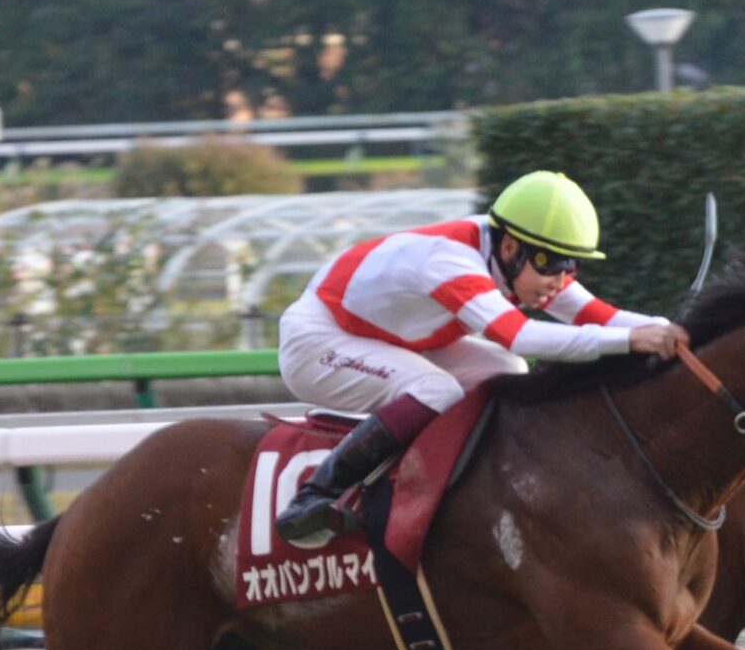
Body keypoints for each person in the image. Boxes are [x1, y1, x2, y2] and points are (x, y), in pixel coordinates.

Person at [273, 170, 690, 545]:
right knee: (438, 388)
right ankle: (316, 496)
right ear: (510, 247)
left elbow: (595, 315)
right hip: (319, 341)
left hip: (395, 339)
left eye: (571, 267)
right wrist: (634, 340)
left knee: (505, 372)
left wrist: (673, 328)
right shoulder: (451, 261)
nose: (558, 281)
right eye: (551, 265)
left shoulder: (518, 261)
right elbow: (521, 336)